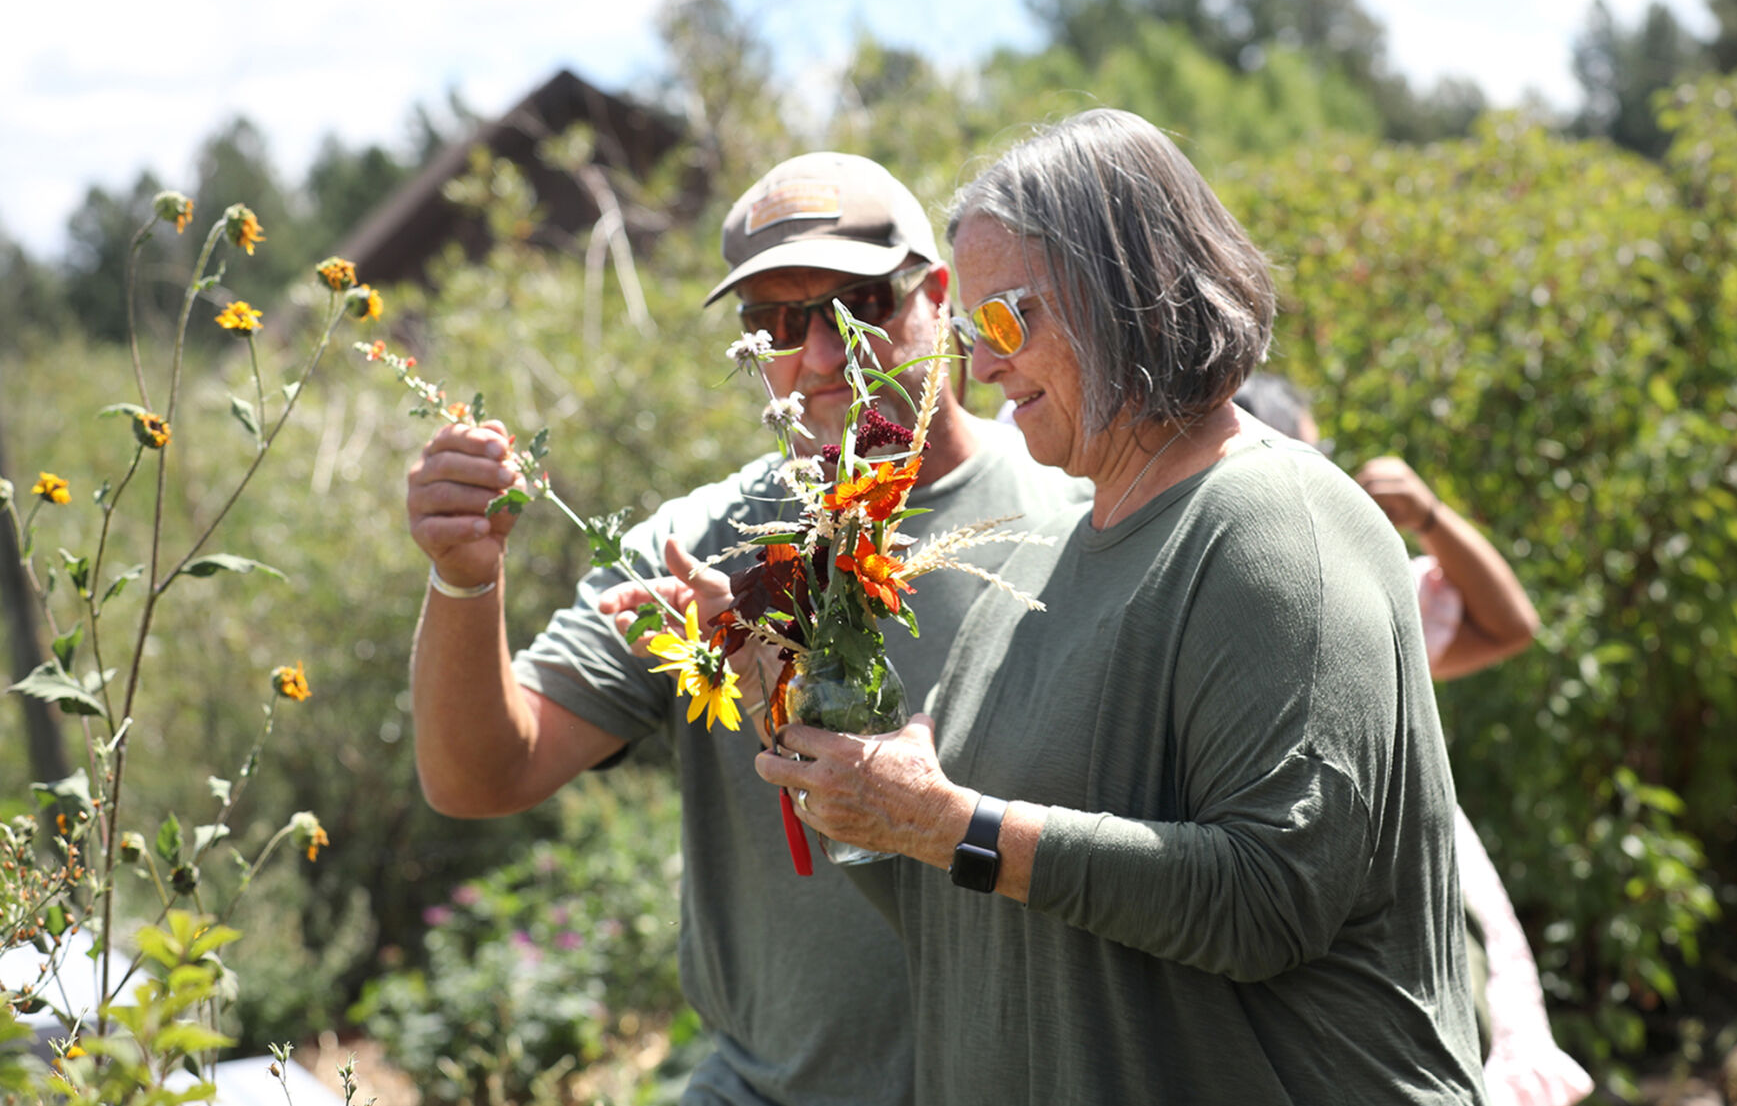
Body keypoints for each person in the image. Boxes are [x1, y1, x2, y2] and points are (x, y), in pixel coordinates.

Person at [754, 109, 1488, 1103]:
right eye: (969, 332)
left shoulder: (1275, 524)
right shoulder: (1051, 552)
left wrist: (950, 823)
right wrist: (842, 775)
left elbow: (1270, 895)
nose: (982, 365)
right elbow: (975, 904)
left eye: (1006, 320)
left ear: (1128, 294)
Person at [404, 151, 1083, 1106]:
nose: (815, 355)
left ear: (938, 297)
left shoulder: (1080, 508)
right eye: (772, 321)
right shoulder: (696, 547)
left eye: (859, 304)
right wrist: (464, 581)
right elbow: (481, 775)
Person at [1234, 373, 1590, 1106]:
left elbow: (1508, 625)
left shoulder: (1353, 598)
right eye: (1312, 451)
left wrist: (1427, 514)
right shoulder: (1263, 606)